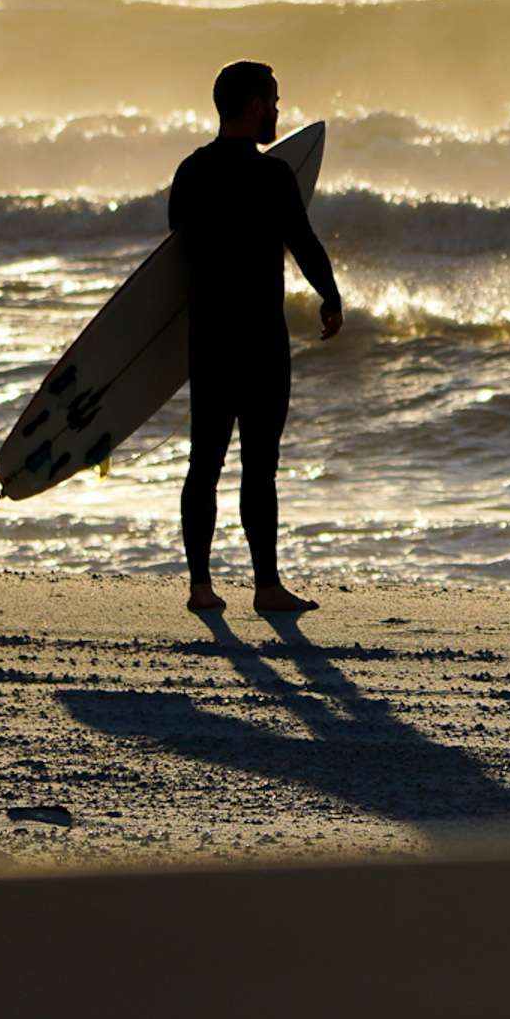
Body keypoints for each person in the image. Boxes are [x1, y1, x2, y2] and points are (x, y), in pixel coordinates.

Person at [168, 61, 343, 614]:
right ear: (251, 109)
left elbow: (175, 251)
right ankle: (266, 588)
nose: (277, 110)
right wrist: (330, 296)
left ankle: (201, 587)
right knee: (259, 466)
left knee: (204, 463)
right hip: (262, 342)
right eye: (272, 101)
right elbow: (304, 242)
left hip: (211, 339)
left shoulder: (191, 172)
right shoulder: (272, 177)